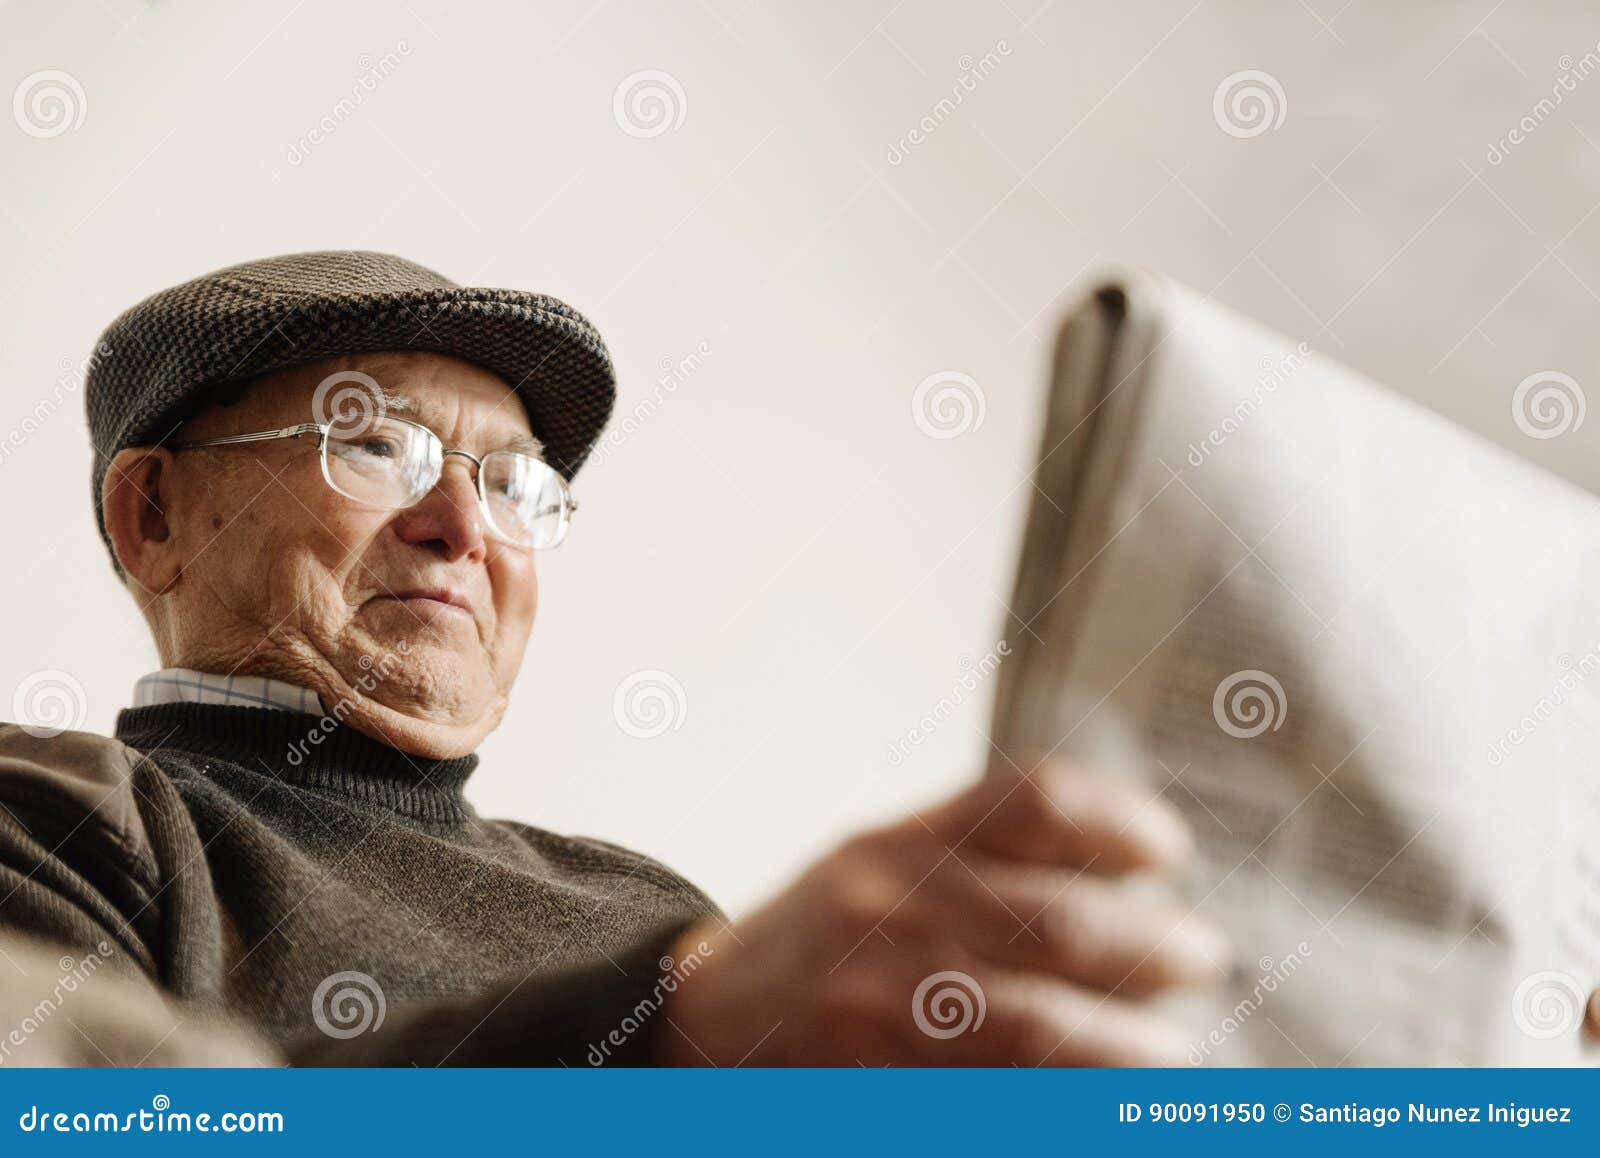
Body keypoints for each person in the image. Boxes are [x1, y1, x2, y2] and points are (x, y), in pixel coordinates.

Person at [0, 251, 1229, 1066]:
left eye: (514, 483)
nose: (465, 527)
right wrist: (674, 1036)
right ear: (150, 516)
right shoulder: (60, 822)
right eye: (376, 446)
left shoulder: (648, 910)